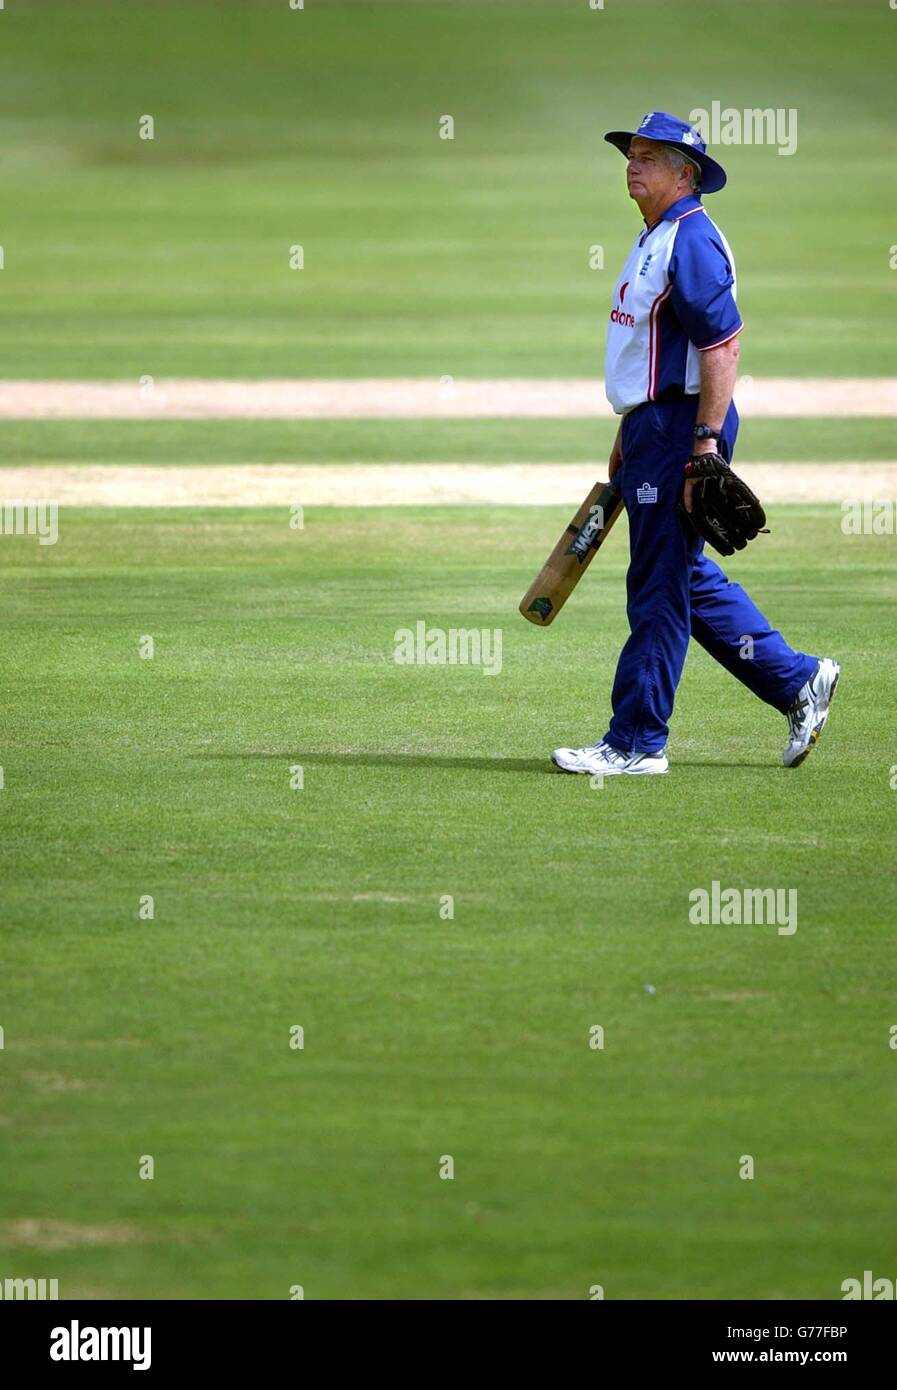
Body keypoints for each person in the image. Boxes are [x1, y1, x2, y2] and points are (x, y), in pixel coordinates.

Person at [552, 112, 838, 777]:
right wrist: (628, 432)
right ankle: (796, 681)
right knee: (681, 574)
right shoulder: (654, 237)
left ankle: (636, 742)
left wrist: (703, 444)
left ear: (685, 174)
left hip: (684, 426)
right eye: (631, 153)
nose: (633, 164)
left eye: (649, 157)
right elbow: (650, 352)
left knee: (656, 585)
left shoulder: (691, 241)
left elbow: (722, 344)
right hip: (654, 425)